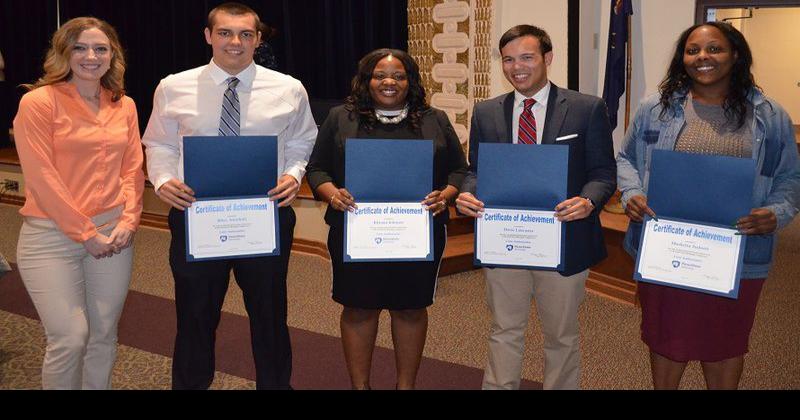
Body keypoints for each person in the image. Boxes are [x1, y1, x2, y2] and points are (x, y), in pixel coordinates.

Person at [141, 2, 317, 390]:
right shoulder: (174, 86)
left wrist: (293, 174)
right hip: (196, 214)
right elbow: (158, 143)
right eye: (224, 33)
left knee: (270, 315)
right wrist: (164, 179)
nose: (235, 42)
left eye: (245, 34)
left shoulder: (288, 88)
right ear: (208, 36)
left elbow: (303, 139)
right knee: (195, 315)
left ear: (257, 38)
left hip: (265, 214)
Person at [616, 21, 800, 390]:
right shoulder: (656, 108)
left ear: (735, 55)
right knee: (666, 336)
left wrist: (777, 214)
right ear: (682, 58)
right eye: (693, 50)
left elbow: (790, 178)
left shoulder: (769, 115)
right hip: (668, 248)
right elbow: (625, 158)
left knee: (726, 340)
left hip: (736, 254)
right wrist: (631, 193)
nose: (703, 57)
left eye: (714, 49)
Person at [456, 25, 616, 390]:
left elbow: (604, 172)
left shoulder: (586, 108)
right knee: (504, 329)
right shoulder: (486, 111)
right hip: (505, 238)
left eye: (526, 57)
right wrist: (468, 193)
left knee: (561, 335)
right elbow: (476, 169)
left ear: (547, 59)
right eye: (508, 60)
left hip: (563, 238)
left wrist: (588, 200)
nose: (517, 67)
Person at [306, 48, 467, 390]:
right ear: (367, 80)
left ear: (411, 81)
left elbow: (458, 169)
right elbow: (317, 169)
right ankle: (360, 386)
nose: (389, 82)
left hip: (417, 233)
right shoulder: (341, 117)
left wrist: (447, 195)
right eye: (380, 75)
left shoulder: (434, 118)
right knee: (359, 308)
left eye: (398, 75)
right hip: (356, 232)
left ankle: (405, 386)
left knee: (410, 309)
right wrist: (332, 193)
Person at [13, 17, 144, 389]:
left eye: (101, 48)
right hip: (51, 238)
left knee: (103, 336)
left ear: (112, 55)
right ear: (63, 53)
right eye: (80, 48)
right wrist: (85, 232)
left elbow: (133, 169)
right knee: (69, 338)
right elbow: (42, 177)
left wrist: (129, 220)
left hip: (114, 234)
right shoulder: (38, 103)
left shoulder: (125, 105)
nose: (91, 56)